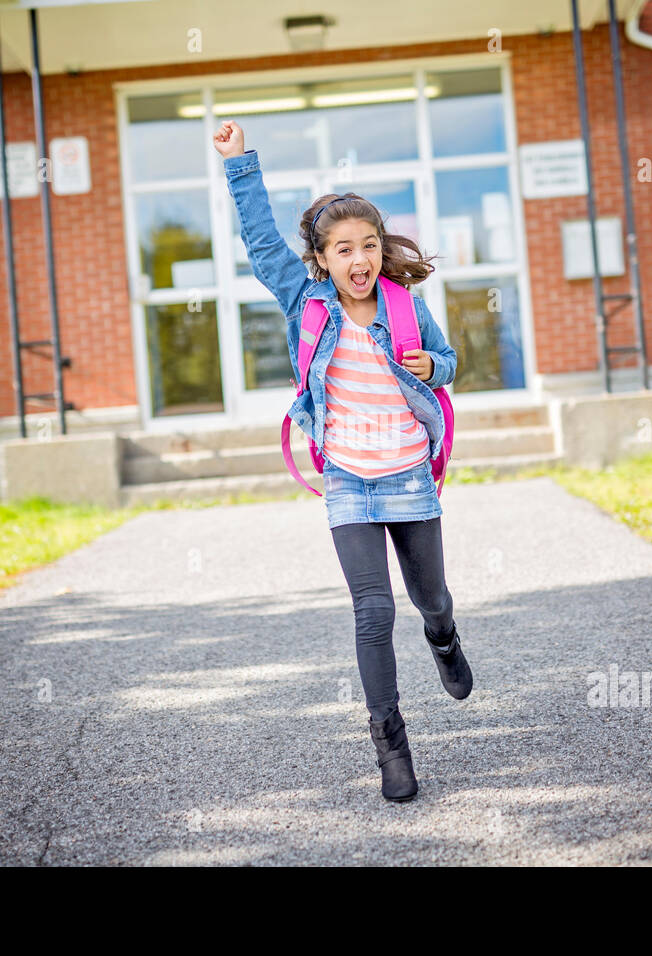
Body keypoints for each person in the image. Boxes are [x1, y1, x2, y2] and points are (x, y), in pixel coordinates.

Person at [213, 119, 473, 802]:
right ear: (323, 259)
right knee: (372, 613)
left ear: (380, 250)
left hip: (410, 474)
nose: (358, 258)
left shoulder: (405, 306)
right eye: (342, 248)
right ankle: (391, 745)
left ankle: (444, 639)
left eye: (368, 244)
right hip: (349, 481)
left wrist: (432, 363)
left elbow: (448, 366)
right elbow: (260, 241)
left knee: (431, 601)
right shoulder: (307, 302)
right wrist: (240, 165)